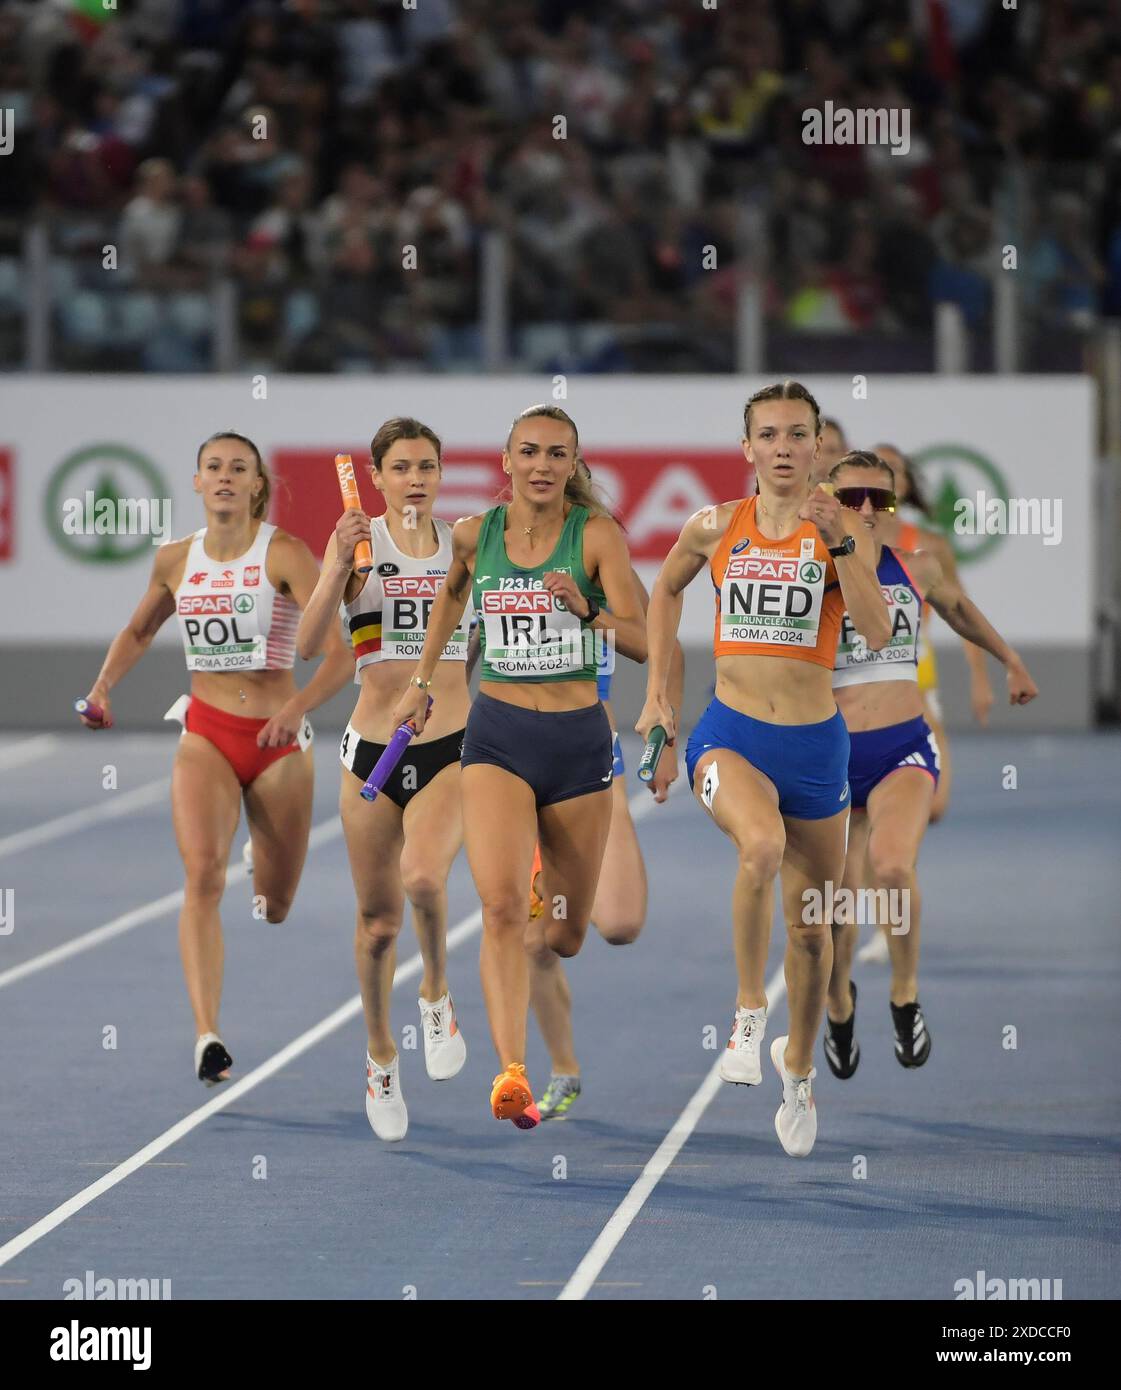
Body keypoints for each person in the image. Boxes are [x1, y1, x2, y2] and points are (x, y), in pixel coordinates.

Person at [638, 380, 890, 1158]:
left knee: (812, 937)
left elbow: (877, 635)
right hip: (731, 735)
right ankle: (748, 1015)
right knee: (758, 847)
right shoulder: (714, 527)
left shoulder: (847, 528)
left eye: (796, 435)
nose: (783, 448)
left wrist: (841, 541)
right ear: (746, 448)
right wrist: (657, 696)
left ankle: (797, 1068)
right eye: (768, 435)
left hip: (816, 749)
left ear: (819, 446)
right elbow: (664, 592)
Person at [389, 404, 647, 1131]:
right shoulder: (475, 535)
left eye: (556, 454)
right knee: (499, 909)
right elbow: (449, 599)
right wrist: (424, 684)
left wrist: (589, 609)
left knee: (560, 934)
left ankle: (547, 889)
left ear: (573, 464)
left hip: (577, 747)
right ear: (505, 461)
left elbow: (643, 639)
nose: (541, 464)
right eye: (528, 452)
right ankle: (512, 1071)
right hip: (496, 735)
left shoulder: (594, 537)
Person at [79, 432, 352, 1085]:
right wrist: (102, 685)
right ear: (197, 482)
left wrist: (296, 709)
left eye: (239, 469)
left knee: (274, 906)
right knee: (202, 876)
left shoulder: (282, 553)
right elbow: (141, 628)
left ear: (258, 485)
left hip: (277, 742)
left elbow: (338, 656)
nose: (226, 477)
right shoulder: (176, 559)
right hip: (205, 731)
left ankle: (265, 856)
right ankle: (207, 1035)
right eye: (214, 468)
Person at [822, 452, 1038, 1074]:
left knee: (892, 867)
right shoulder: (808, 574)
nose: (866, 509)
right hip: (827, 755)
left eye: (879, 499)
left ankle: (904, 995)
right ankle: (838, 1003)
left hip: (902, 746)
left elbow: (961, 611)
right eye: (853, 496)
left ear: (895, 505)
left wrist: (1009, 660)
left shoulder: (916, 565)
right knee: (835, 901)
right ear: (832, 500)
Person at [296, 418, 473, 1142]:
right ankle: (378, 1056)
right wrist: (337, 567)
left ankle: (435, 993)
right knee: (375, 926)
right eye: (401, 467)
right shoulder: (359, 543)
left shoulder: (467, 545)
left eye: (426, 466)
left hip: (451, 744)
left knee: (426, 879)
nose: (415, 478)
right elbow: (306, 647)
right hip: (370, 751)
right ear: (377, 476)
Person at [529, 523, 685, 1121]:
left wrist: (664, 725)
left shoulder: (602, 554)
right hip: (511, 759)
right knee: (529, 934)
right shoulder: (490, 551)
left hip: (591, 752)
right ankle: (562, 1069)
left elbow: (662, 636)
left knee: (619, 923)